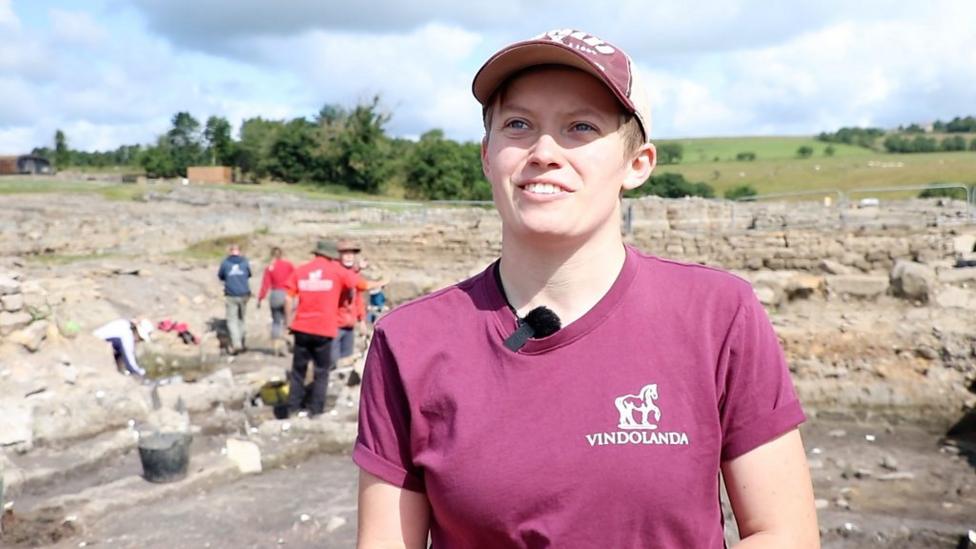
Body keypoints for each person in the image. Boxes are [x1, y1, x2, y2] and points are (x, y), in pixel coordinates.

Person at [355, 29, 819, 548]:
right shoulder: (409, 341)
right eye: (518, 125)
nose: (544, 151)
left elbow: (784, 533)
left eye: (580, 126)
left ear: (637, 164)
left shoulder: (718, 315)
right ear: (488, 156)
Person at [284, 240, 385, 417]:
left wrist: (288, 322)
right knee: (322, 372)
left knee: (298, 371)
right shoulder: (337, 271)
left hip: (301, 328)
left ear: (315, 254)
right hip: (324, 329)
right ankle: (315, 411)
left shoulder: (301, 271)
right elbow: (361, 285)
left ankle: (293, 408)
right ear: (332, 256)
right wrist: (381, 282)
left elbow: (288, 298)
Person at [332, 239, 367, 367]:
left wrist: (362, 320)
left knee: (346, 362)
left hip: (349, 325)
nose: (349, 257)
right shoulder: (335, 271)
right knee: (333, 363)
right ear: (339, 255)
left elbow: (358, 298)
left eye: (351, 254)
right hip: (334, 325)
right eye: (345, 254)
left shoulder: (353, 274)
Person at [257, 246, 295, 356]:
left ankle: (276, 345)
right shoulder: (288, 265)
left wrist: (260, 298)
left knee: (276, 320)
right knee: (288, 320)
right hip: (287, 294)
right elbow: (295, 277)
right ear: (281, 254)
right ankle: (288, 343)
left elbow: (265, 284)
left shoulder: (270, 267)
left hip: (275, 295)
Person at [217, 244, 252, 354]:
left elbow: (220, 276)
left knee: (232, 320)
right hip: (244, 294)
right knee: (241, 318)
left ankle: (237, 344)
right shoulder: (245, 262)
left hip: (231, 294)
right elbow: (249, 274)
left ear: (230, 251)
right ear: (239, 251)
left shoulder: (225, 263)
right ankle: (240, 341)